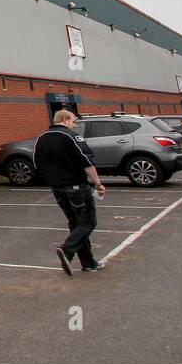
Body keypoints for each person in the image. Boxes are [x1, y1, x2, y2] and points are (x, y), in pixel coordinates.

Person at [33, 109, 107, 275]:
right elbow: (86, 161)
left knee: (76, 224)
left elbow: (37, 163)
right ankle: (67, 250)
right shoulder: (71, 137)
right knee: (88, 222)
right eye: (74, 121)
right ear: (65, 119)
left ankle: (89, 263)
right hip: (76, 186)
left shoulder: (41, 138)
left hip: (57, 188)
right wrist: (98, 183)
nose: (75, 125)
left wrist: (52, 178)